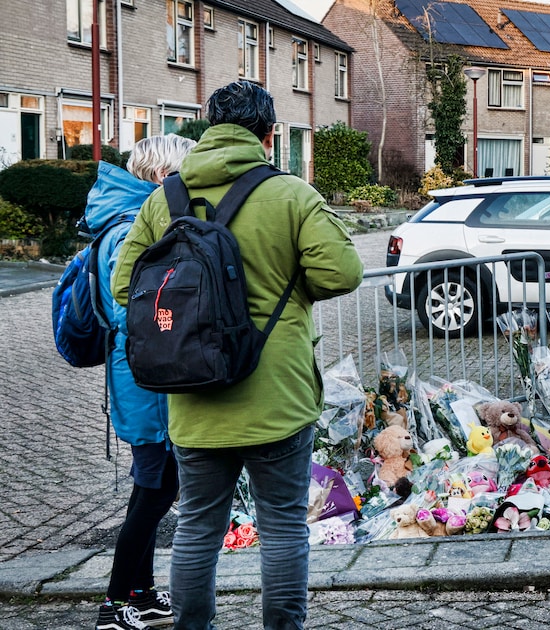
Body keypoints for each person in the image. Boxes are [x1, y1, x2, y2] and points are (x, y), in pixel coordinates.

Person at [111, 80, 363, 630]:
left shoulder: (163, 200)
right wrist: (286, 286)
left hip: (194, 395)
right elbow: (342, 272)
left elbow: (124, 285)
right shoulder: (291, 195)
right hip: (277, 396)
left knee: (199, 526)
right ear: (268, 135)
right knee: (282, 527)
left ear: (207, 128)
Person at [91, 135, 196, 630]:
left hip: (148, 376)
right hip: (146, 381)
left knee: (152, 489)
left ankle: (143, 592)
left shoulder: (138, 220)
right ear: (162, 177)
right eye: (184, 174)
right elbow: (126, 310)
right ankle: (114, 605)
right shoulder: (131, 227)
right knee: (155, 490)